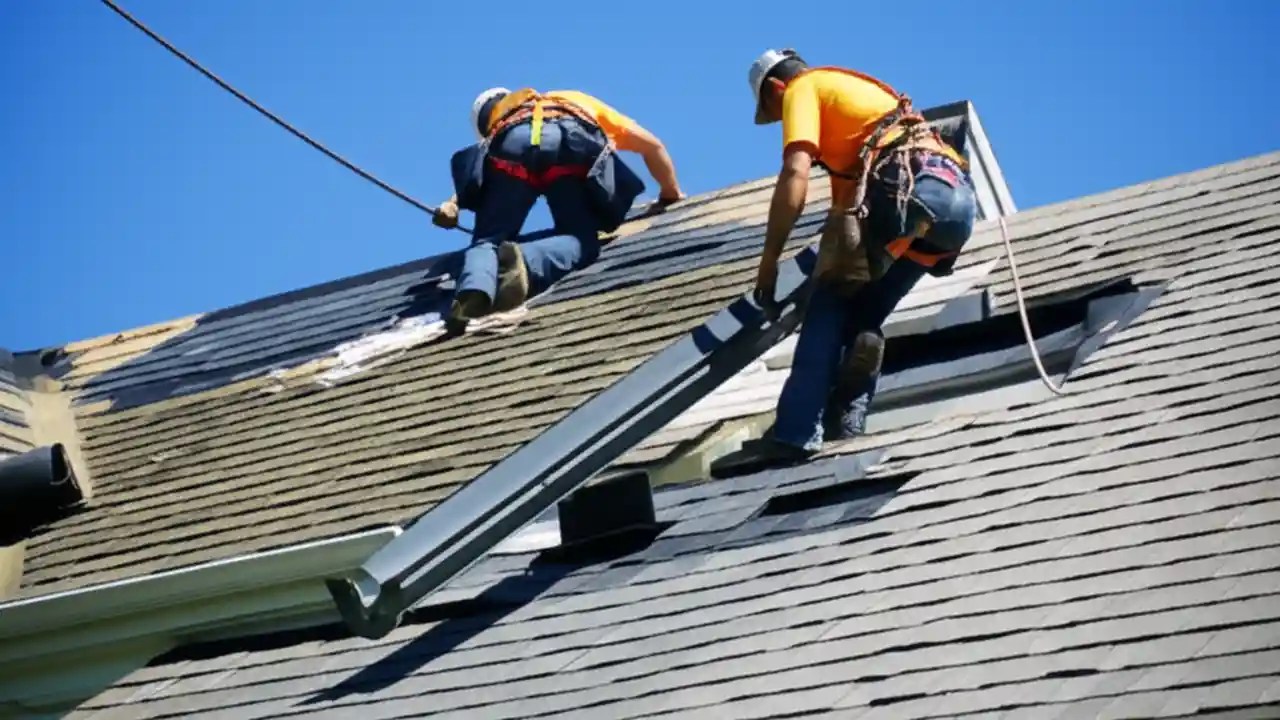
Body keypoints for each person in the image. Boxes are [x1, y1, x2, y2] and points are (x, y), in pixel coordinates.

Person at [747, 48, 978, 458]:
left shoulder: (804, 87)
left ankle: (795, 432)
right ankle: (848, 422)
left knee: (828, 301)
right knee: (861, 312)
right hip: (953, 207)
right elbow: (845, 223)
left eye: (777, 113)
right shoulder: (865, 112)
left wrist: (768, 264)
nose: (785, 123)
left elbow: (794, 172)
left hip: (911, 193)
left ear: (778, 88)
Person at [433, 87, 685, 331]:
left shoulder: (503, 125)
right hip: (570, 147)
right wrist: (670, 193)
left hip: (510, 152)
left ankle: (475, 289)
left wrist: (452, 205)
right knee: (580, 238)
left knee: (487, 242)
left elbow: (483, 171)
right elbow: (652, 146)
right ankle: (526, 262)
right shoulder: (569, 100)